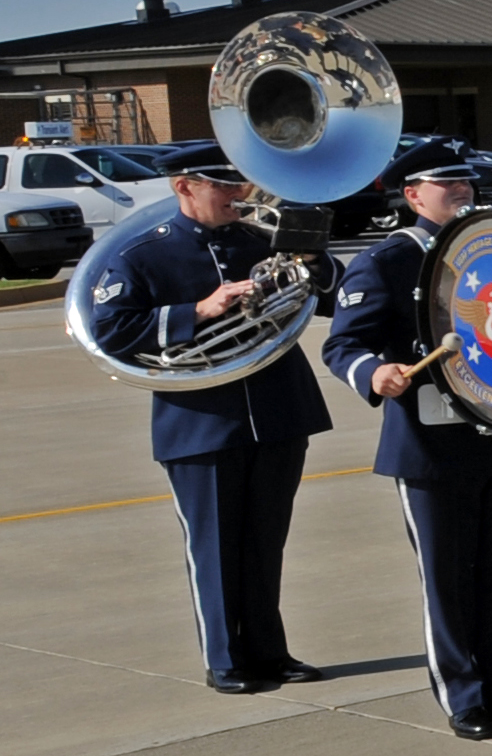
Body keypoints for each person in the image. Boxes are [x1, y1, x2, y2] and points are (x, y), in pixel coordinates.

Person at [324, 139, 492, 737]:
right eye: (445, 184)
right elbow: (343, 344)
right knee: (449, 579)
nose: (462, 192)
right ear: (412, 196)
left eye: (466, 184)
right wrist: (373, 373)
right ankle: (464, 697)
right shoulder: (386, 261)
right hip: (430, 445)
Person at [83, 141, 337, 694]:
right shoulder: (142, 255)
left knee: (266, 540)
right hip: (199, 420)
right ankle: (225, 659)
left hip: (277, 412)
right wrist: (199, 310)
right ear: (184, 187)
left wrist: (313, 257)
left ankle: (271, 652)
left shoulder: (263, 241)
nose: (237, 194)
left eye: (238, 182)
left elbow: (331, 299)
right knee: (215, 546)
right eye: (221, 185)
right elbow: (110, 332)